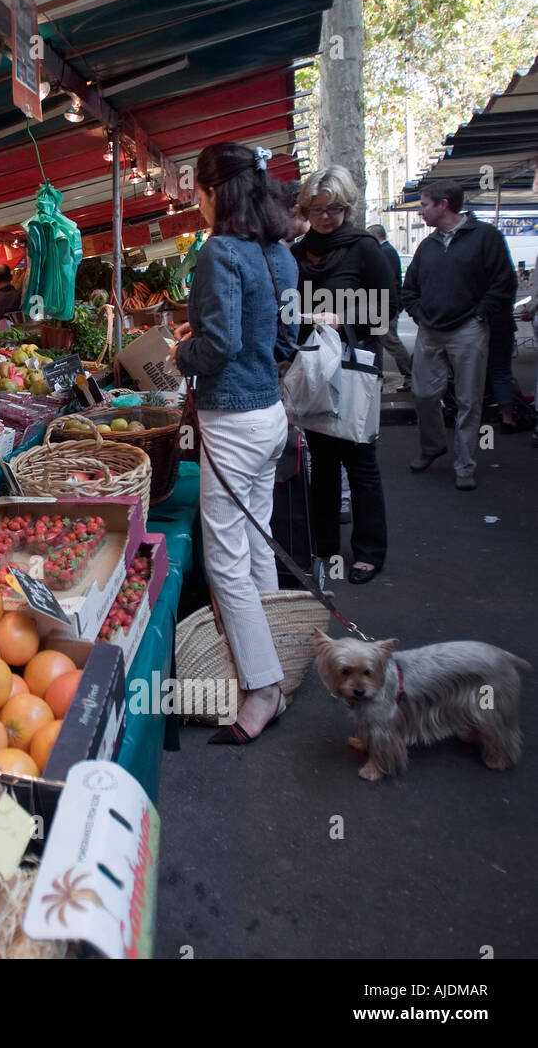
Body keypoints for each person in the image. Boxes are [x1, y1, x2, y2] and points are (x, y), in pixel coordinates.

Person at [169, 142, 296, 744]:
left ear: (215, 191)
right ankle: (283, 658)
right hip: (271, 415)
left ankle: (263, 686)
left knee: (226, 561)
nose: (196, 203)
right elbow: (282, 338)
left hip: (234, 423)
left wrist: (179, 353)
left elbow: (216, 348)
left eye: (196, 190)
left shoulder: (220, 251)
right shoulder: (280, 254)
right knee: (258, 541)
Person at [291, 169, 396, 585]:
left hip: (353, 368)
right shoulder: (298, 252)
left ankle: (370, 551)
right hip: (313, 369)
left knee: (360, 459)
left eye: (333, 208)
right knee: (323, 461)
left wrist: (343, 317)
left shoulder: (364, 248)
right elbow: (286, 306)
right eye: (315, 209)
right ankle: (325, 546)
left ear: (347, 206)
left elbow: (389, 307)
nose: (324, 217)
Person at [402, 183, 517, 490]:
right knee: (424, 393)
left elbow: (504, 282)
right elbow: (410, 286)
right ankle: (433, 445)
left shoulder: (485, 237)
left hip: (468, 329)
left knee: (469, 399)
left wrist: (481, 314)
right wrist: (417, 311)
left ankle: (465, 464)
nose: (420, 210)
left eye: (424, 204)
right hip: (430, 329)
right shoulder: (427, 246)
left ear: (443, 205)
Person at [366, 223, 414, 389]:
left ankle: (410, 375)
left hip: (384, 306)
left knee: (390, 342)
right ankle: (376, 373)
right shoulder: (388, 251)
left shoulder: (384, 252)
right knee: (378, 340)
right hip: (383, 305)